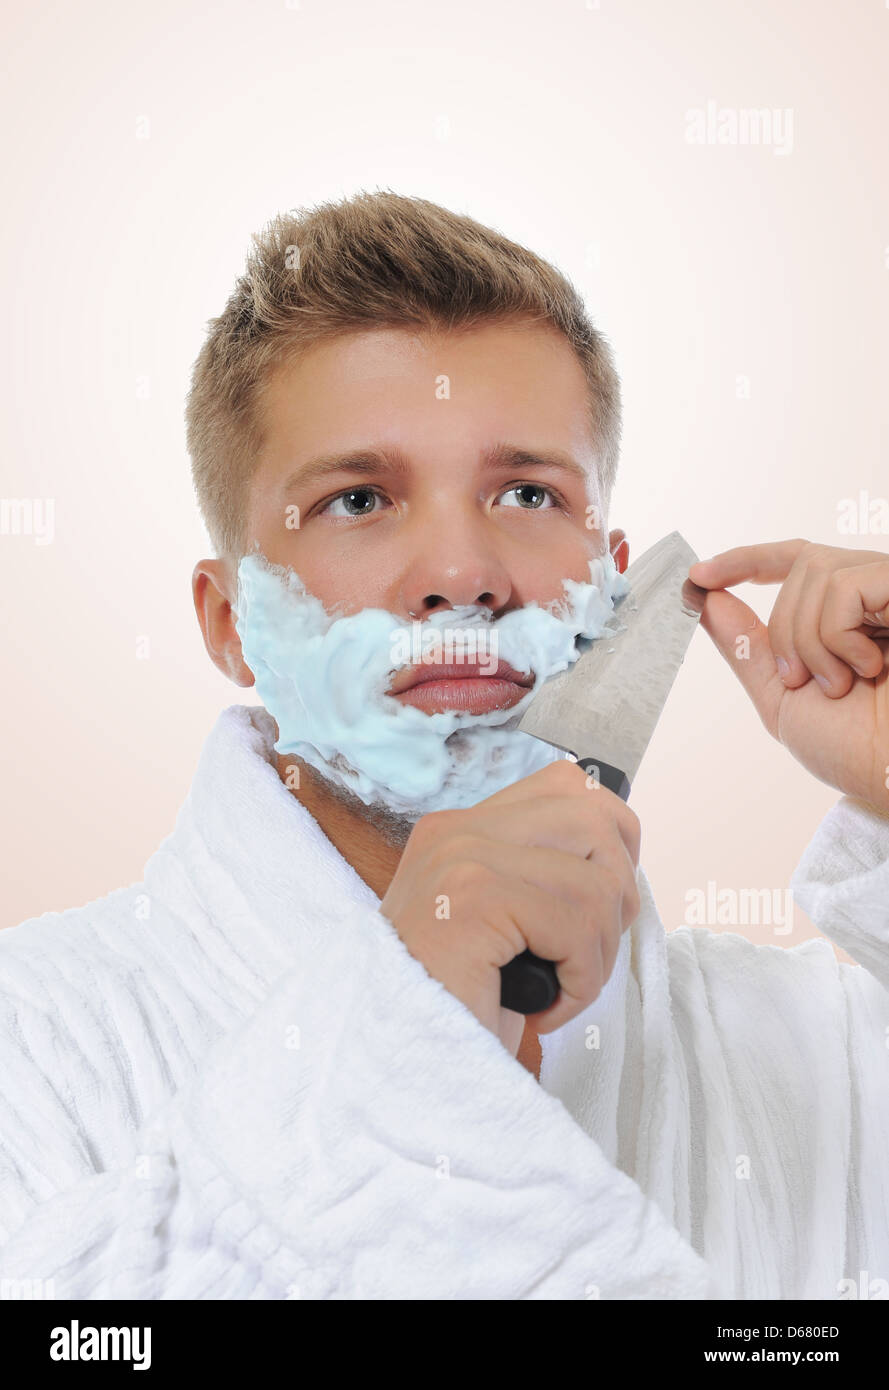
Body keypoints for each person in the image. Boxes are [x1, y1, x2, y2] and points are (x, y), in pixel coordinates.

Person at [1, 191, 887, 1300]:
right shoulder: (32, 1039)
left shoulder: (823, 1052)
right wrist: (398, 1026)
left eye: (526, 490)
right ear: (231, 623)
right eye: (359, 498)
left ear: (614, 584)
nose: (461, 571)